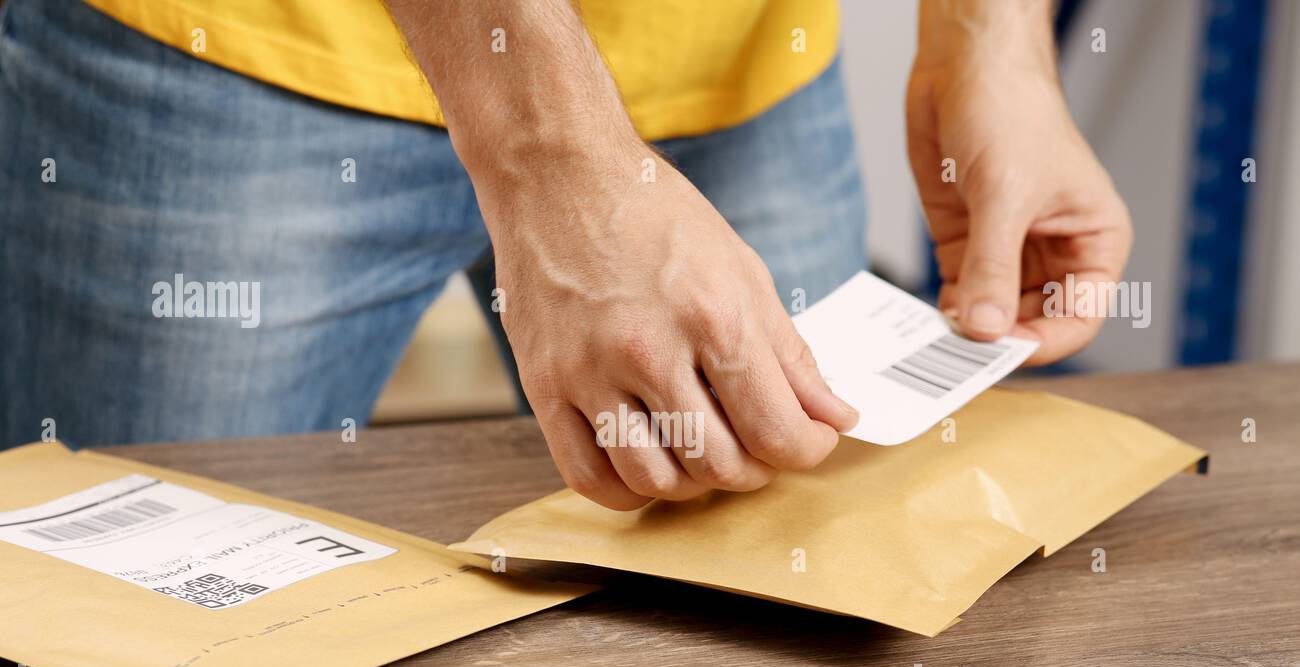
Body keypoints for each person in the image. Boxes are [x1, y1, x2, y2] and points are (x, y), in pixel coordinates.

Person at [0, 0, 1131, 509]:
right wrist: (548, 152)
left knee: (779, 599)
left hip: (735, 53)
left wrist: (992, 40)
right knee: (138, 646)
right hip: (238, 52)